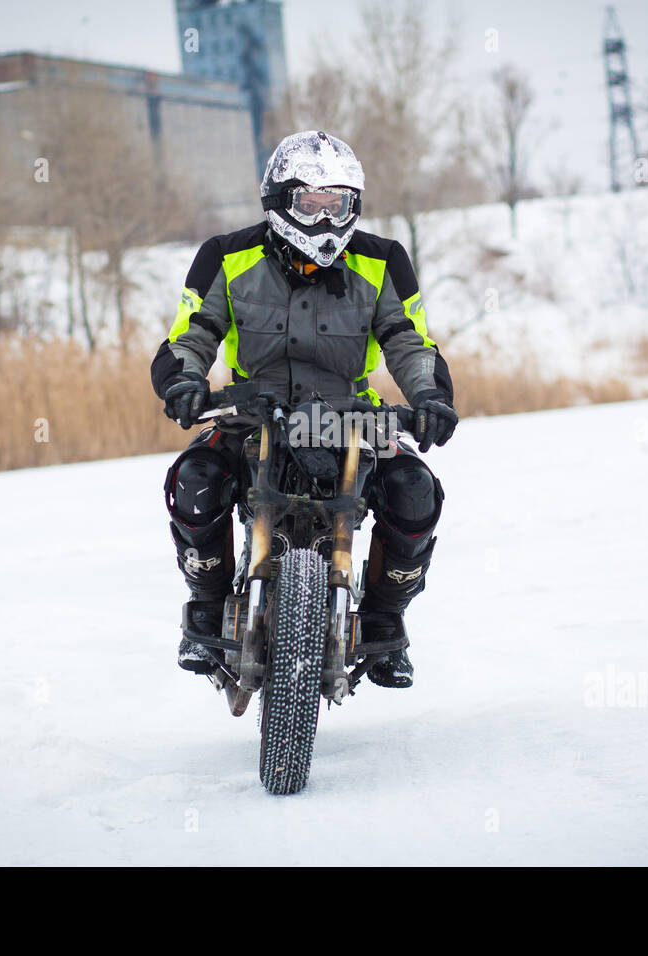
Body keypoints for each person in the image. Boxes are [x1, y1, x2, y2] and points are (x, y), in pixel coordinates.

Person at [151, 130, 456, 689]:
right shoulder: (224, 254)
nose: (322, 221)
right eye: (308, 205)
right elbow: (190, 333)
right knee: (195, 479)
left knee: (414, 489)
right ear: (278, 201)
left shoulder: (384, 260)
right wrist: (185, 381)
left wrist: (430, 397)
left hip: (352, 416)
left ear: (353, 206)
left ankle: (386, 621)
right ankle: (206, 607)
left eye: (334, 205)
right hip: (252, 412)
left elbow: (409, 341)